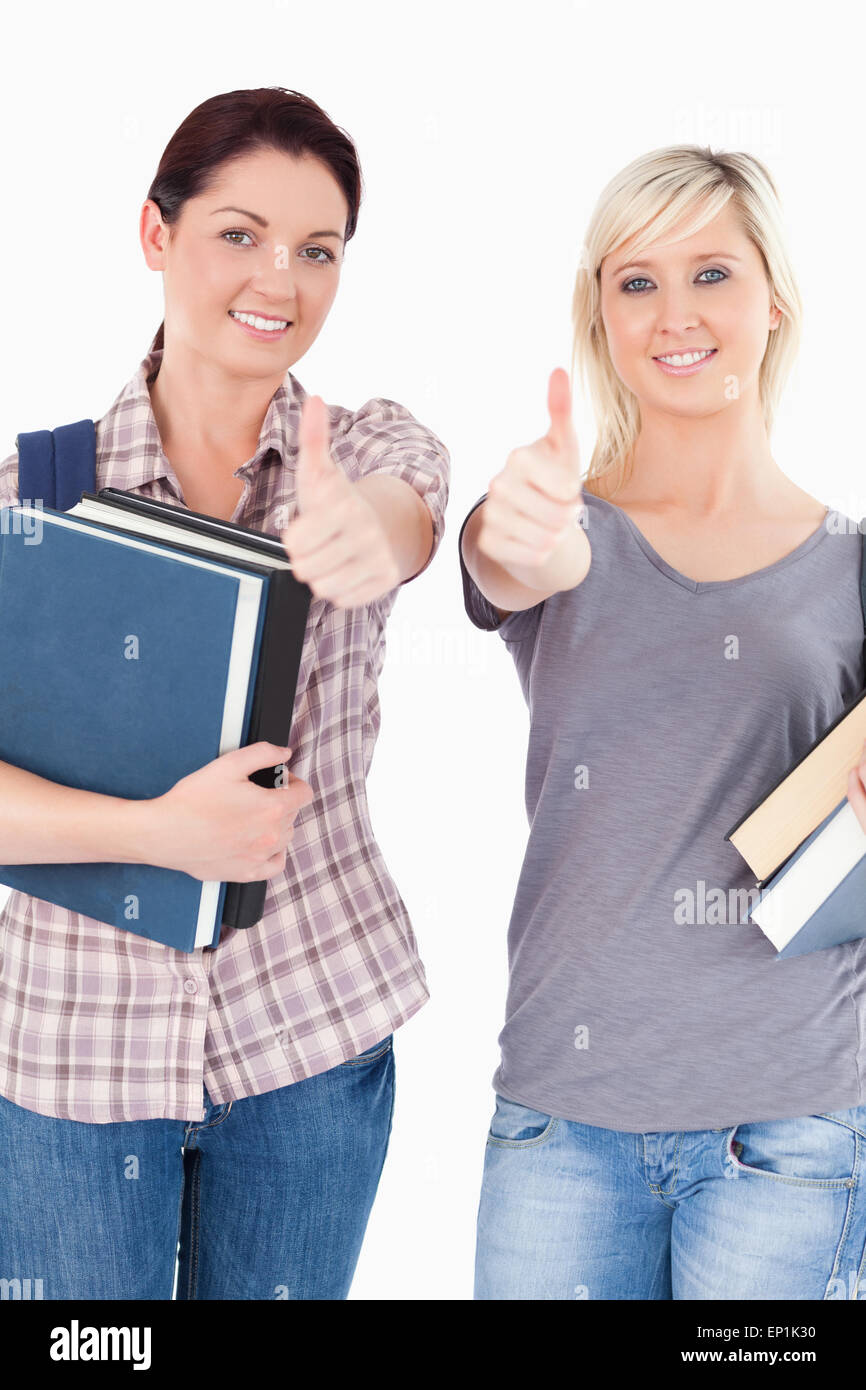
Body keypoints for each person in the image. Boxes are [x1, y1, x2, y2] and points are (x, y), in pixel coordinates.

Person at [0, 87, 449, 1300]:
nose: (279, 280)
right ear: (158, 234)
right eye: (238, 234)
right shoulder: (26, 499)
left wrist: (367, 536)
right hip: (68, 1068)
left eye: (318, 250)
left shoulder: (368, 454)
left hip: (308, 1042)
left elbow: (404, 519)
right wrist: (154, 837)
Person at [459, 143, 866, 1300]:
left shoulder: (849, 567)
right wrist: (520, 524)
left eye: (710, 273)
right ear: (598, 312)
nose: (672, 313)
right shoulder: (551, 525)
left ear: (772, 300)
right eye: (634, 280)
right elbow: (509, 559)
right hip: (561, 1128)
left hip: (790, 1133)